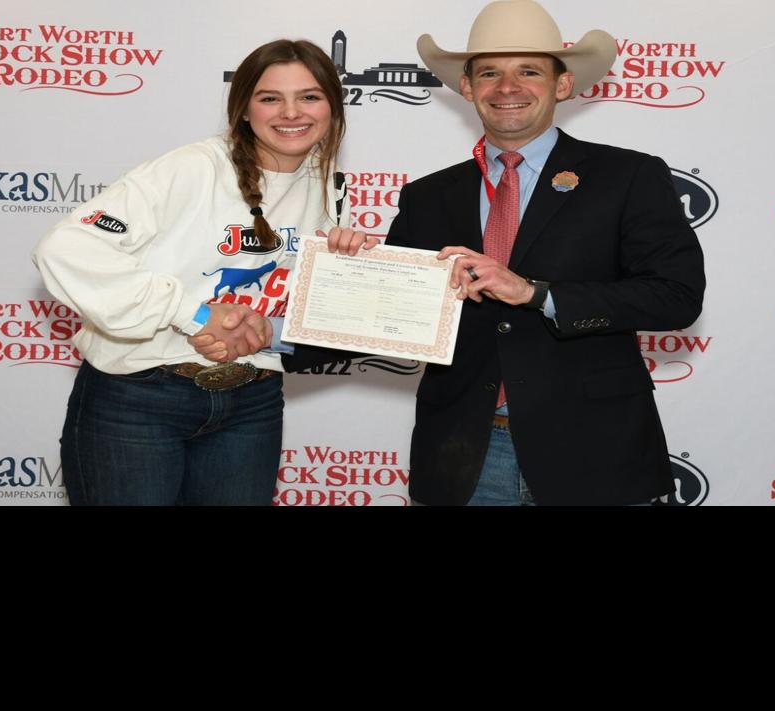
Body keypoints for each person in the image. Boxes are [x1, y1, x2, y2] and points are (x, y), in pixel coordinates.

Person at [219, 0, 704, 506]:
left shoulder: (628, 177)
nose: (507, 87)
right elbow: (385, 315)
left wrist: (536, 293)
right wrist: (270, 333)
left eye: (529, 71)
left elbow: (676, 297)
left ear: (562, 85)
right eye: (489, 72)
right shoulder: (430, 195)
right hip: (464, 454)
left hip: (593, 451)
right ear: (467, 87)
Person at [32, 39, 366, 505]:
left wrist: (346, 272)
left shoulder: (324, 181)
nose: (292, 113)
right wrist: (193, 314)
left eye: (309, 97)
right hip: (140, 398)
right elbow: (66, 247)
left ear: (332, 106)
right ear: (244, 109)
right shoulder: (192, 167)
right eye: (270, 98)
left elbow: (292, 298)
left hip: (252, 401)